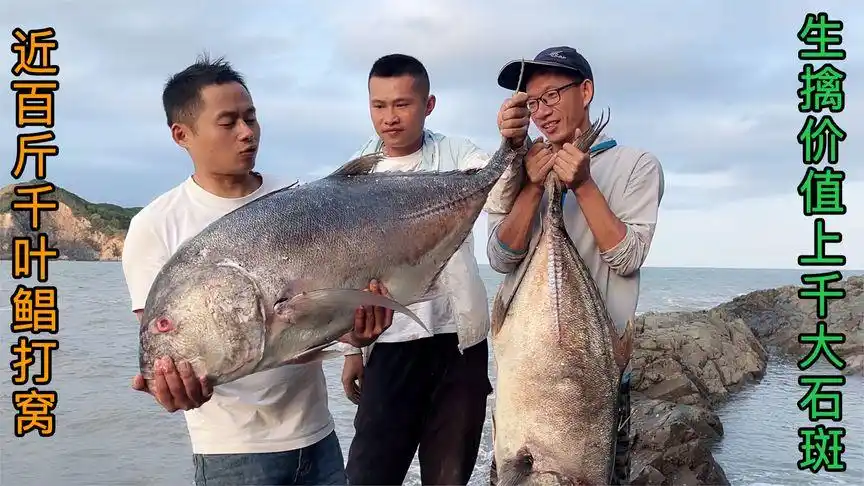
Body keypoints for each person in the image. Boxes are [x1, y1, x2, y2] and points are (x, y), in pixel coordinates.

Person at [121, 55, 393, 486]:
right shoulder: (155, 226)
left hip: (319, 436)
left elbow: (321, 310)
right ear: (182, 134)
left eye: (251, 118)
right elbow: (169, 349)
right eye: (228, 122)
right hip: (234, 455)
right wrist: (168, 388)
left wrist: (355, 336)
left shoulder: (295, 196)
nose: (247, 133)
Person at [485, 46, 665, 485]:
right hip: (525, 375)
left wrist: (583, 186)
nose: (542, 111)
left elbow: (627, 258)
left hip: (592, 380)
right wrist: (528, 184)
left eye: (551, 96)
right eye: (531, 102)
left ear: (585, 91)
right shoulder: (516, 169)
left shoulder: (637, 166)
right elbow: (500, 257)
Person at [338, 53, 493, 486]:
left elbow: (498, 185)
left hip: (459, 343)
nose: (390, 117)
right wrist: (352, 351)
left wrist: (514, 143)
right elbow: (345, 268)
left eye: (403, 104)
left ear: (428, 105)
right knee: (369, 473)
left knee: (449, 475)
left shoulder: (459, 154)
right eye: (379, 105)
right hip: (389, 342)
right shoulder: (352, 176)